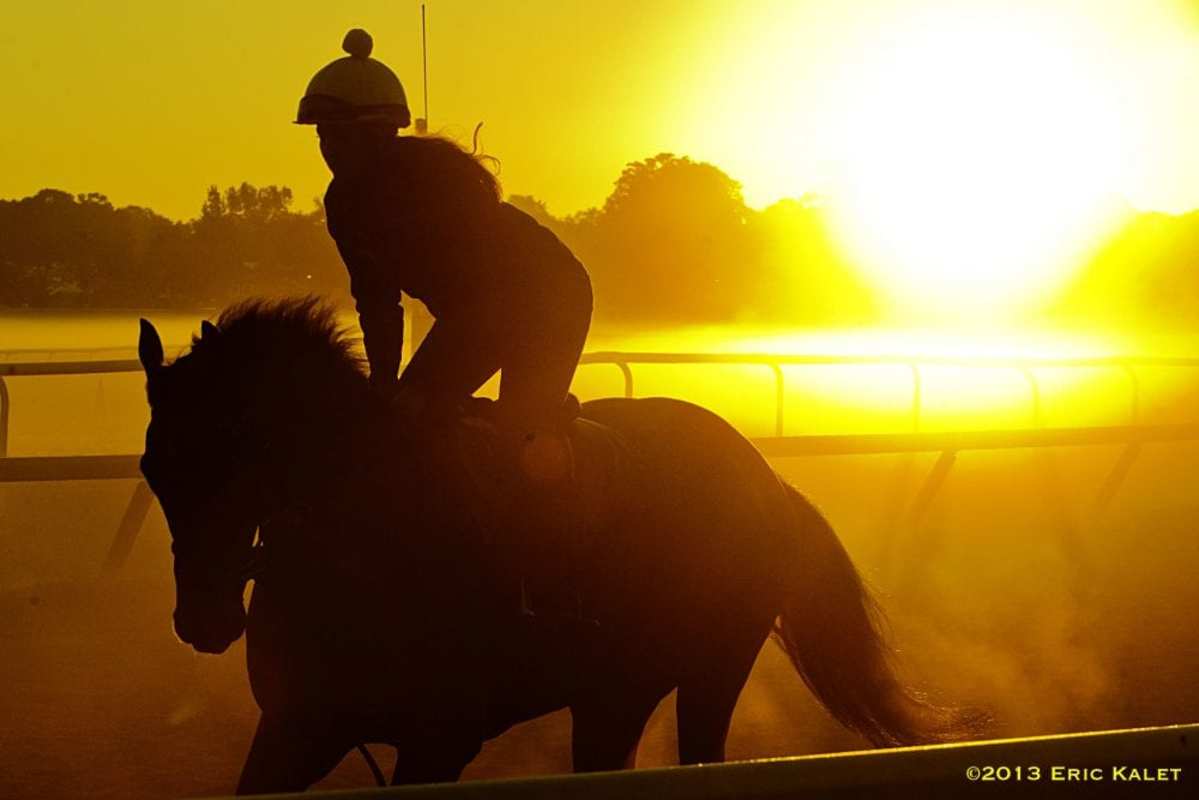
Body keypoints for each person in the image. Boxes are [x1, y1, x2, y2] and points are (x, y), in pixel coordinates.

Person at [296, 30, 593, 487]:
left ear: (374, 135)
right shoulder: (343, 205)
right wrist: (383, 385)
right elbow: (377, 305)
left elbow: (486, 306)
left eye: (338, 136)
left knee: (521, 437)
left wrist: (420, 395)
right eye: (321, 136)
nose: (327, 149)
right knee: (404, 418)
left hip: (550, 298)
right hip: (476, 313)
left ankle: (549, 513)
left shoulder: (428, 183)